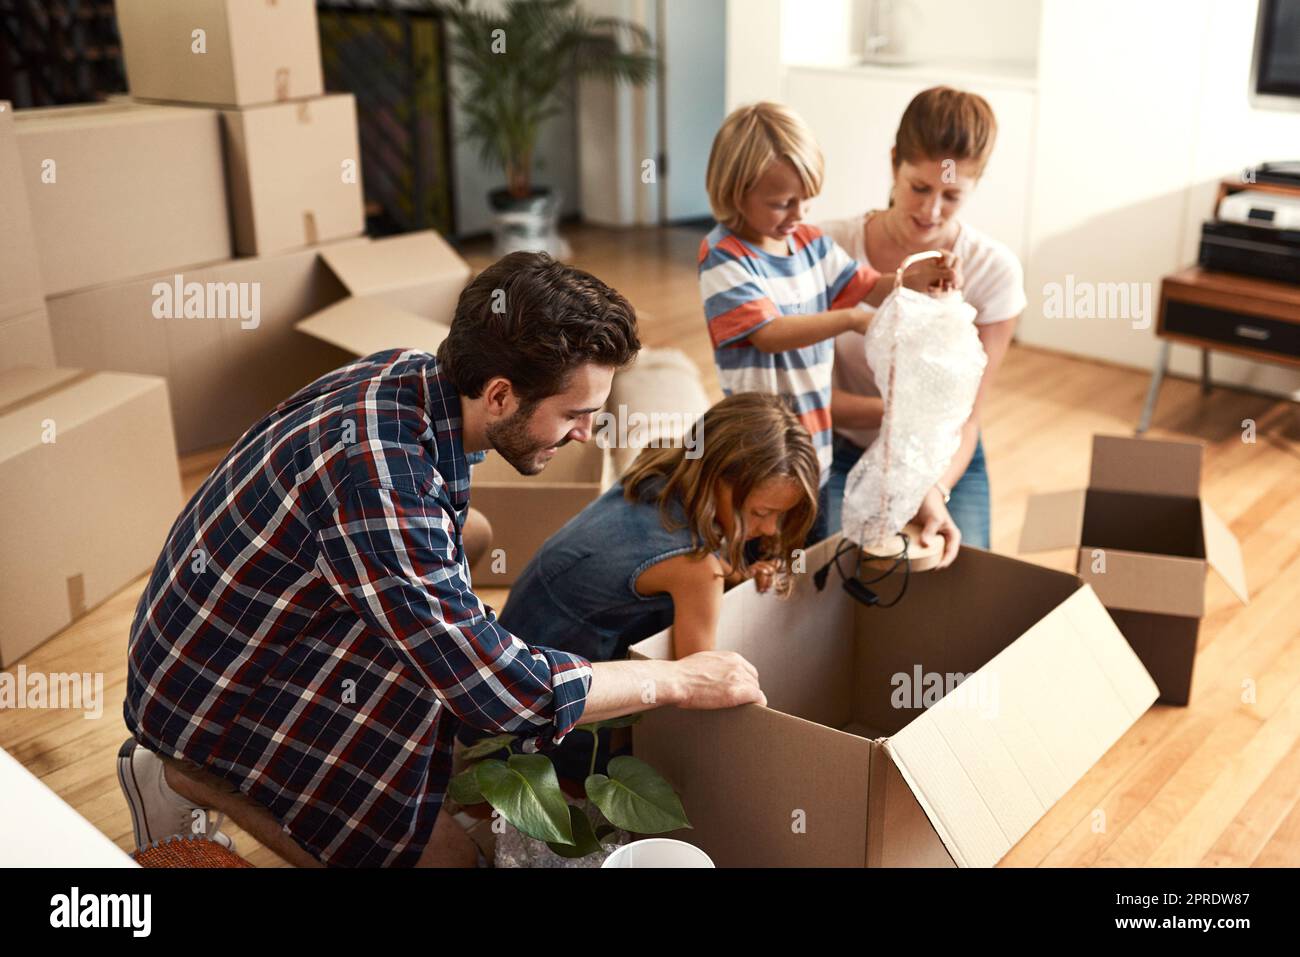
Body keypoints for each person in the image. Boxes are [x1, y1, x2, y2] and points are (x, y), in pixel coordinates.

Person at [117, 252, 767, 868]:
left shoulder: (413, 377)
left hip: (236, 620)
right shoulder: (380, 483)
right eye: (575, 414)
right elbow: (501, 691)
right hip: (201, 690)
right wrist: (684, 678)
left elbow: (442, 568)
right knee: (450, 859)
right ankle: (182, 772)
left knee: (473, 536)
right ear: (502, 396)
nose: (586, 434)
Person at [471, 391, 817, 779]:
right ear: (719, 479)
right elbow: (704, 686)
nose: (770, 529)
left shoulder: (657, 471)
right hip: (550, 723)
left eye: (779, 517)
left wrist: (740, 575)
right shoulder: (696, 568)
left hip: (500, 678)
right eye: (761, 513)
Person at [698, 101, 958, 546]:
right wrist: (851, 320)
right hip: (757, 458)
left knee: (809, 556)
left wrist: (915, 277)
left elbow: (868, 284)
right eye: (782, 203)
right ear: (735, 192)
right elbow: (768, 333)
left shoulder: (810, 243)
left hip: (814, 451)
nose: (799, 214)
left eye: (806, 199)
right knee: (759, 557)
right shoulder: (723, 255)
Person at [821, 86, 1028, 550]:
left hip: (943, 454)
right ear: (894, 163)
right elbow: (810, 400)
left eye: (952, 195)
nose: (931, 211)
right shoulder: (829, 248)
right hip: (838, 447)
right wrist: (899, 415)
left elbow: (967, 417)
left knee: (959, 576)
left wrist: (929, 489)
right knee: (841, 574)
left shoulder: (993, 270)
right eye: (919, 188)